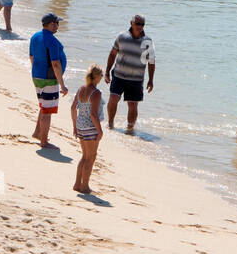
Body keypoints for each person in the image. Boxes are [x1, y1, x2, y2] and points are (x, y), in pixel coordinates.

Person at [105, 15, 155, 134]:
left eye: (142, 24)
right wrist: (107, 71)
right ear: (131, 23)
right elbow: (112, 54)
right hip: (119, 75)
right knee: (113, 99)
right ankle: (110, 124)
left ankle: (130, 129)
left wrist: (151, 80)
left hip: (136, 79)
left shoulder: (147, 41)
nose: (140, 26)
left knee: (133, 105)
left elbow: (151, 62)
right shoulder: (122, 37)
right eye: (137, 23)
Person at [29, 14, 68, 149]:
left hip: (37, 76)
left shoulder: (35, 37)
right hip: (49, 78)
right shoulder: (51, 40)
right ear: (51, 24)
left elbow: (32, 57)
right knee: (48, 110)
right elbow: (56, 63)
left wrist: (37, 72)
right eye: (57, 23)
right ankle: (44, 142)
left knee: (43, 106)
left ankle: (37, 133)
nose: (58, 26)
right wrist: (62, 84)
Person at [71, 64, 105, 194]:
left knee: (84, 156)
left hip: (80, 125)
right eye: (101, 75)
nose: (102, 78)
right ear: (97, 77)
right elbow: (93, 114)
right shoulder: (96, 93)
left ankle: (77, 184)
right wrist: (100, 131)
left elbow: (73, 108)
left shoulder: (81, 89)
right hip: (91, 127)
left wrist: (75, 126)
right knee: (91, 157)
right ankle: (84, 187)